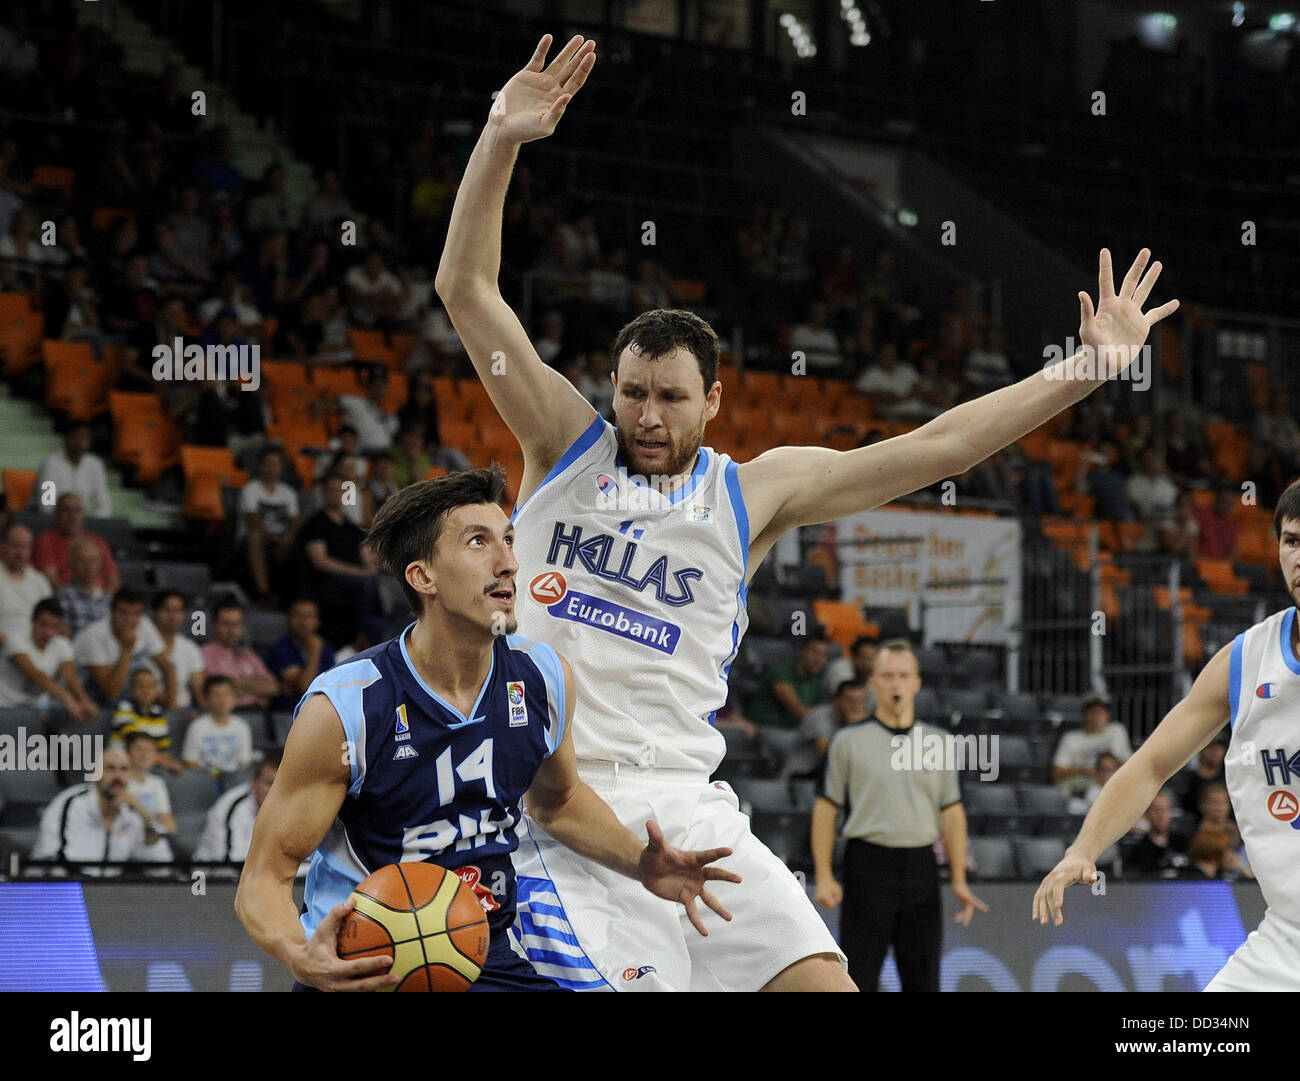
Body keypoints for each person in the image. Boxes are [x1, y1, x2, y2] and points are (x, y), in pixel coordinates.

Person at [435, 32, 1178, 992]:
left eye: (668, 397)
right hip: (561, 807)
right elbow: (465, 287)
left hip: (688, 802)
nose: (645, 416)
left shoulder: (754, 491)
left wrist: (1083, 371)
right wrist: (501, 135)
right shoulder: (562, 444)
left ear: (714, 402)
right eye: (630, 393)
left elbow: (935, 450)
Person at [234, 468, 739, 992]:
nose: (509, 563)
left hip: (483, 957)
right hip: (363, 966)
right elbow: (264, 878)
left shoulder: (542, 677)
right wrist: (300, 956)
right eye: (479, 542)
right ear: (423, 577)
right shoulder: (347, 706)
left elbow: (559, 803)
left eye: (509, 540)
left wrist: (640, 863)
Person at [1033, 477, 1300, 989]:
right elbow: (1150, 765)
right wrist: (1082, 850)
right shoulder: (1246, 660)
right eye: (1292, 540)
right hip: (1284, 942)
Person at [810, 641, 986, 991]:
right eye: (887, 675)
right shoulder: (847, 741)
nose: (896, 684)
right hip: (867, 866)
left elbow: (952, 812)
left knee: (923, 980)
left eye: (904, 676)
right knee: (858, 977)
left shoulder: (940, 742)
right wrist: (825, 875)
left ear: (917, 683)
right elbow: (826, 808)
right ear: (872, 682)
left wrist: (959, 879)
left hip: (921, 867)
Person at [31, 748, 170, 871]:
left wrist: (146, 819)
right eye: (110, 768)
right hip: (68, 890)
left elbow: (162, 867)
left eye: (124, 769)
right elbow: (49, 861)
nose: (118, 776)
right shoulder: (70, 804)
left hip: (109, 894)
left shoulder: (132, 811)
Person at [75, 587, 176, 707]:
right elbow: (111, 694)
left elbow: (167, 668)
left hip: (125, 696)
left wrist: (169, 703)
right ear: (112, 611)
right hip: (91, 699)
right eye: (123, 613)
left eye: (136, 614)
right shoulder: (94, 636)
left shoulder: (143, 624)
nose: (129, 620)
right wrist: (127, 649)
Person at [0, 598, 95, 720]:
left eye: (55, 627)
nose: (48, 633)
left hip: (37, 709)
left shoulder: (62, 644)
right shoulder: (15, 640)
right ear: (32, 621)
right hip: (6, 707)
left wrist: (83, 700)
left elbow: (70, 677)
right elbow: (35, 675)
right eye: (43, 625)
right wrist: (67, 698)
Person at [239, 446, 300, 606]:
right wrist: (277, 539)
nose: (272, 469)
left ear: (282, 468)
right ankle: (263, 592)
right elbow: (253, 520)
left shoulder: (288, 492)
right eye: (268, 464)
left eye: (276, 465)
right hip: (260, 537)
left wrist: (287, 538)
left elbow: (294, 522)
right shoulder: (250, 489)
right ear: (260, 466)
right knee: (255, 537)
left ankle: (297, 597)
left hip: (282, 538)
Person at [194, 752, 280, 864]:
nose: (275, 792)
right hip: (212, 877)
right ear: (254, 782)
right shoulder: (230, 808)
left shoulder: (294, 807)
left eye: (281, 785)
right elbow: (230, 863)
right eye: (269, 783)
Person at [1051, 691, 1133, 799]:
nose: (1096, 716)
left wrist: (1105, 770)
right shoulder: (1070, 738)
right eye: (1092, 712)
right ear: (1084, 714)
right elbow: (1056, 773)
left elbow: (1131, 766)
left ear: (1108, 715)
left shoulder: (1116, 731)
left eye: (1101, 712)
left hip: (1113, 789)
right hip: (1079, 792)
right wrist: (1084, 770)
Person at [200, 600, 277, 713]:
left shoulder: (248, 653)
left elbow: (272, 687)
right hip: (226, 714)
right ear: (214, 626)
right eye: (226, 624)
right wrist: (253, 685)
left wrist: (241, 684)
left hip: (257, 712)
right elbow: (216, 691)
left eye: (236, 624)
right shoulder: (205, 653)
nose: (232, 630)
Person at [33, 494, 119, 592]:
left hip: (101, 600)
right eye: (66, 510)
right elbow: (50, 580)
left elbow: (113, 580)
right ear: (56, 514)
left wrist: (102, 601)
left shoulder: (98, 541)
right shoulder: (46, 540)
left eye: (77, 511)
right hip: (66, 600)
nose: (72, 516)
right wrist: (75, 600)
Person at [266, 597, 337, 714]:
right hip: (289, 713)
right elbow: (304, 687)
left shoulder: (326, 649)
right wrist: (315, 652)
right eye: (297, 615)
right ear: (288, 619)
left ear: (317, 621)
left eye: (309, 616)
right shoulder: (280, 648)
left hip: (320, 712)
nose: (303, 621)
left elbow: (333, 687)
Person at [745, 632, 830, 730]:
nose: (819, 659)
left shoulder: (816, 681)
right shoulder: (781, 672)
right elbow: (799, 710)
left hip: (791, 731)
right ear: (802, 651)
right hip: (764, 728)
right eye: (815, 652)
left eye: (824, 655)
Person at [111, 667, 183, 773]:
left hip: (148, 770)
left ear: (157, 690)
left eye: (151, 686)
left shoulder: (158, 713)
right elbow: (137, 751)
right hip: (121, 769)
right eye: (141, 686)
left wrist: (167, 761)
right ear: (131, 690)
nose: (146, 691)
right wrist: (163, 760)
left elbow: (164, 752)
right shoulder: (123, 710)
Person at [34, 421, 112, 517]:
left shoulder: (95, 465)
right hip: (51, 520)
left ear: (89, 441)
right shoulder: (50, 464)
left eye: (84, 438)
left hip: (79, 522)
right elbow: (46, 506)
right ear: (65, 439)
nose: (79, 443)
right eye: (75, 437)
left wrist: (84, 521)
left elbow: (104, 506)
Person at [183, 674, 255, 774]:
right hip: (206, 779)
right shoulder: (197, 727)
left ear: (234, 698)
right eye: (217, 695)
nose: (223, 700)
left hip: (233, 778)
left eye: (227, 694)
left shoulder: (242, 726)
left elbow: (244, 761)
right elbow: (189, 761)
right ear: (206, 699)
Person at [123, 732, 177, 861]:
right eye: (139, 749)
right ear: (127, 753)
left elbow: (169, 824)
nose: (144, 754)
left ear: (156, 756)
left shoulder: (157, 783)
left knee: (161, 847)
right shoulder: (120, 781)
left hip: (152, 837)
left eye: (149, 750)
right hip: (126, 836)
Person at [149, 590, 206, 710]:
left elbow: (199, 690)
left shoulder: (190, 648)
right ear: (154, 613)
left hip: (184, 711)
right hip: (149, 708)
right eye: (167, 610)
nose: (173, 616)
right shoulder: (142, 645)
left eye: (177, 611)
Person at [801, 679, 870, 771]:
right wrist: (854, 728)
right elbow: (830, 761)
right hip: (803, 776)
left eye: (860, 701)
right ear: (836, 701)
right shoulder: (820, 717)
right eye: (850, 701)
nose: (856, 706)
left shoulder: (864, 720)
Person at [0, 523, 52, 644]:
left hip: (36, 644)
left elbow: (51, 619)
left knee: (63, 646)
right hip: (5, 644)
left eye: (25, 547)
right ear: (3, 546)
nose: (19, 553)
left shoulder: (40, 581)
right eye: (15, 546)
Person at [1122, 789, 1189, 878]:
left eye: (1166, 810)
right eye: (1157, 810)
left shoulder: (1183, 842)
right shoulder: (1139, 850)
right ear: (1146, 814)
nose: (1162, 816)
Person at [53, 537, 110, 637]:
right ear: (72, 564)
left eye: (93, 560)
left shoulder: (108, 599)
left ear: (100, 564)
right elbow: (64, 637)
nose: (89, 566)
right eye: (82, 561)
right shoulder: (63, 596)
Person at [1180, 730, 1227, 815]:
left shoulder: (1228, 779)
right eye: (1211, 746)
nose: (1216, 751)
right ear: (1201, 749)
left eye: (1220, 747)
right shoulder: (1188, 780)